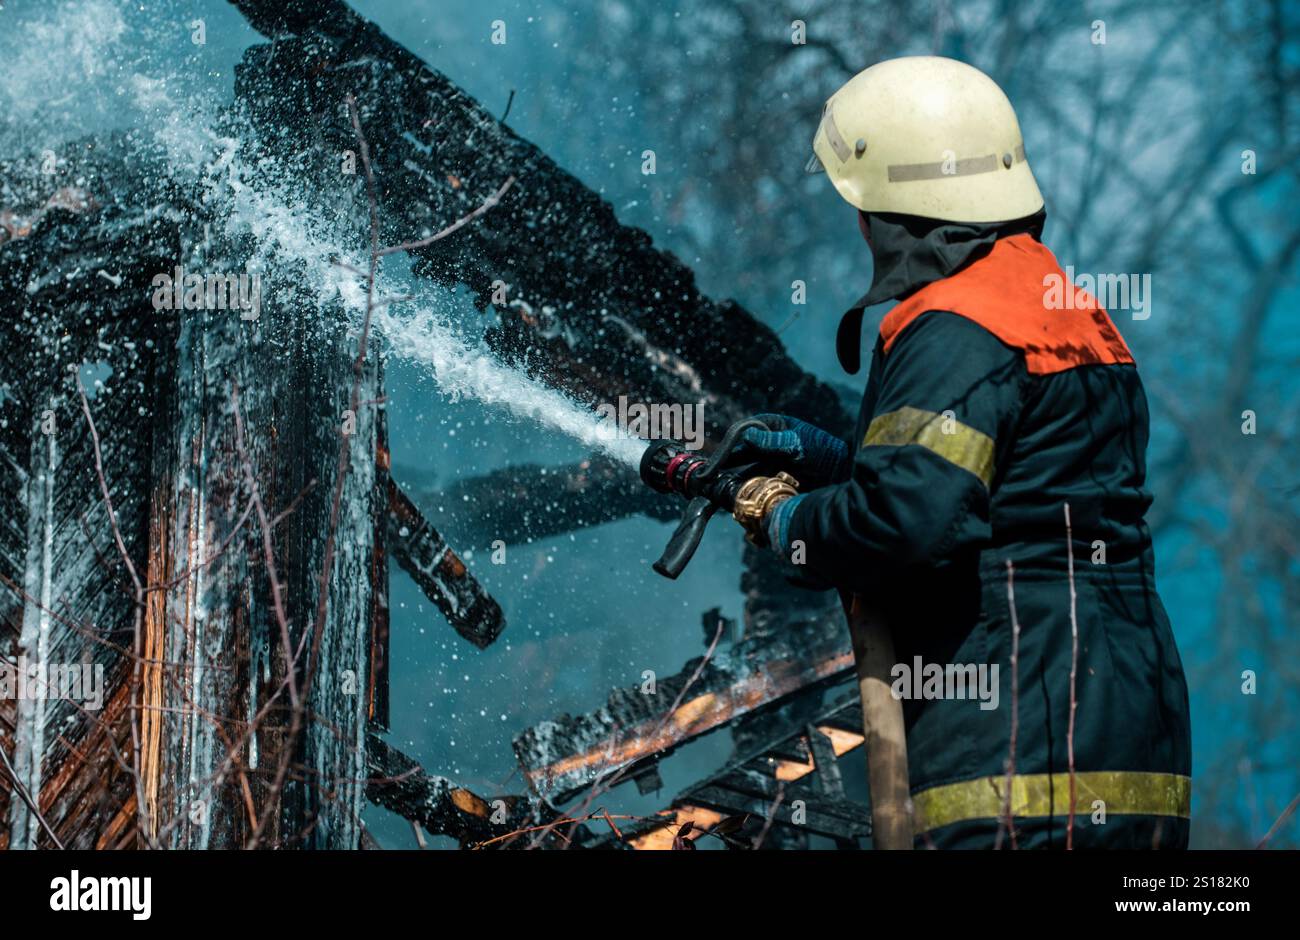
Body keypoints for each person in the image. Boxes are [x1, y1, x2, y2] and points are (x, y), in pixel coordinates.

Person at [729, 56, 1192, 849]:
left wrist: (782, 517)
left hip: (1017, 765)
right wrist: (837, 462)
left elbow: (901, 525)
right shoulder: (1070, 317)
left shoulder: (956, 325)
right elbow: (1001, 501)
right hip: (1132, 757)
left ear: (890, 213)